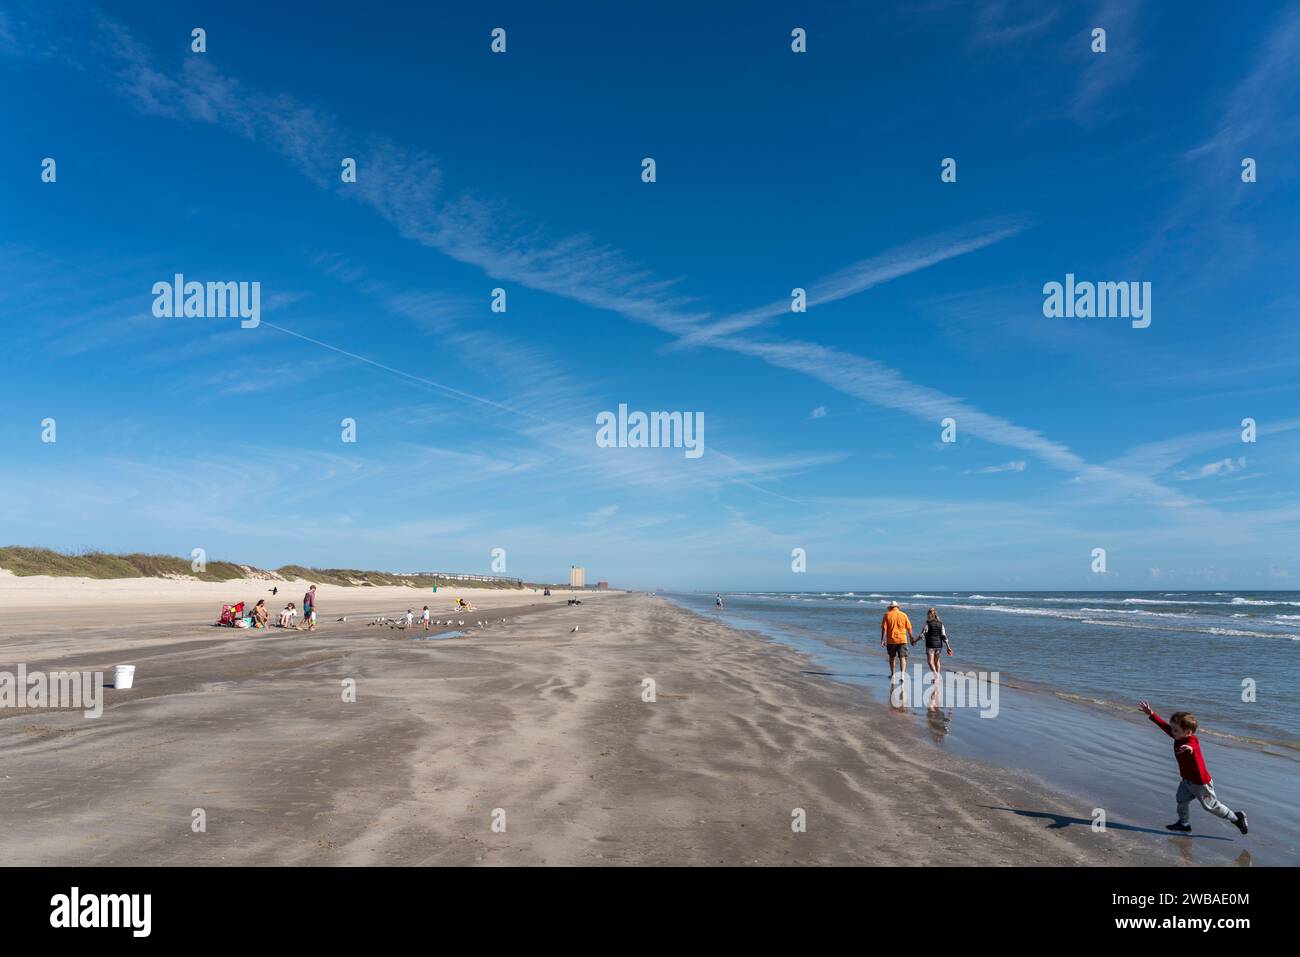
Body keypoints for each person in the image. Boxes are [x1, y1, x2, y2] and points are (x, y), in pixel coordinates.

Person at [1138, 701, 1248, 835]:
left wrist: (1189, 748)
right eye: (1173, 728)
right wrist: (1151, 714)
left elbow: (1194, 746)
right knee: (1181, 800)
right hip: (1187, 781)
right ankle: (1184, 824)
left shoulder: (1192, 741)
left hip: (1201, 783)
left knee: (1211, 807)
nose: (1172, 732)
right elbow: (1164, 726)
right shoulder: (1178, 736)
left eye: (1176, 730)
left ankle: (1236, 818)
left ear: (1188, 732)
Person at [880, 600, 913, 681]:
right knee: (902, 657)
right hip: (902, 640)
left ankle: (893, 674)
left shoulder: (887, 615)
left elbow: (884, 628)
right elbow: (909, 628)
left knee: (892, 657)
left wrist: (882, 639)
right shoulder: (904, 615)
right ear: (898, 607)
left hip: (891, 640)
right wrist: (912, 638)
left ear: (890, 607)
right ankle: (902, 676)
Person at [913, 607, 952, 675]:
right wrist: (948, 647)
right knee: (937, 662)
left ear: (929, 614)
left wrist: (915, 641)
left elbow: (922, 635)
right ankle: (938, 676)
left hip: (930, 645)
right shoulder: (940, 624)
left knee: (930, 662)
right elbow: (944, 636)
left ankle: (936, 675)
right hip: (939, 646)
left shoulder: (928, 623)